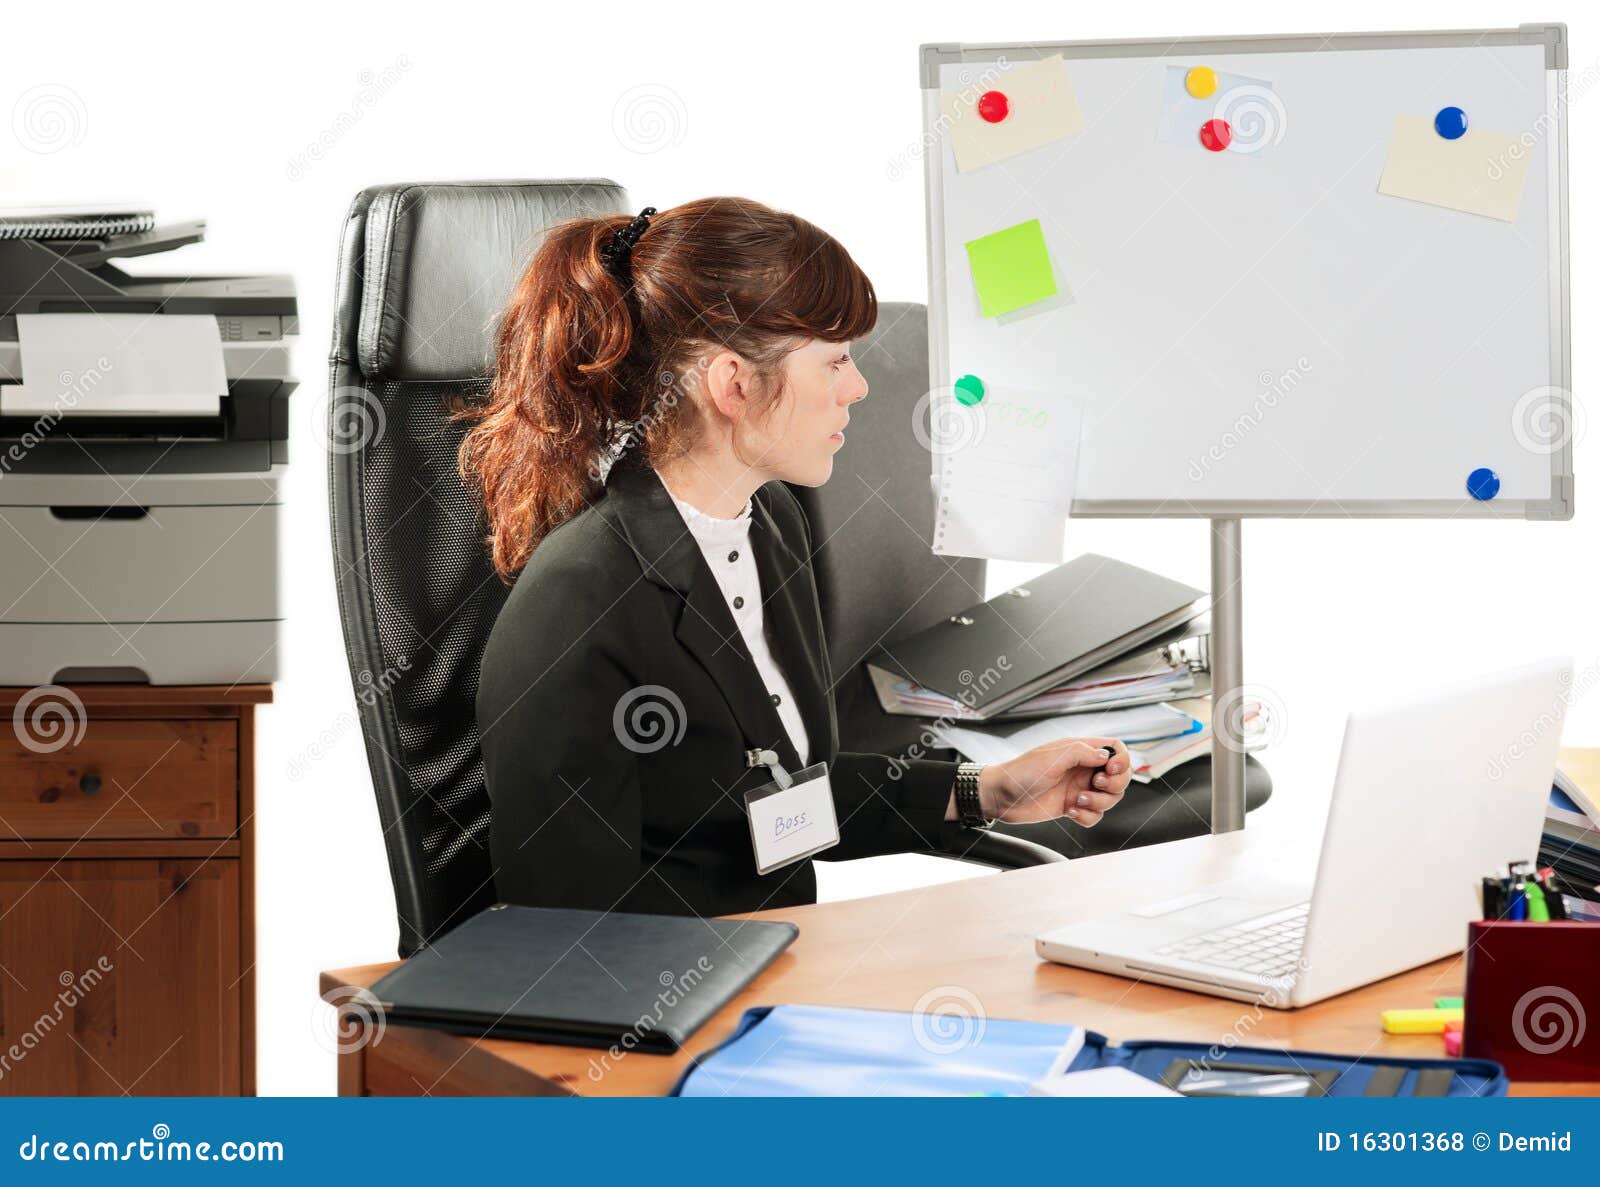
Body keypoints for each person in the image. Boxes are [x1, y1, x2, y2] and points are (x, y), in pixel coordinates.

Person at [461, 196, 1131, 917]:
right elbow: (563, 934)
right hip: (663, 1010)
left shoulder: (771, 523)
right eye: (836, 361)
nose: (858, 387)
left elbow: (780, 806)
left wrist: (987, 789)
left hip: (776, 964)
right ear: (734, 383)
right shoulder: (582, 598)